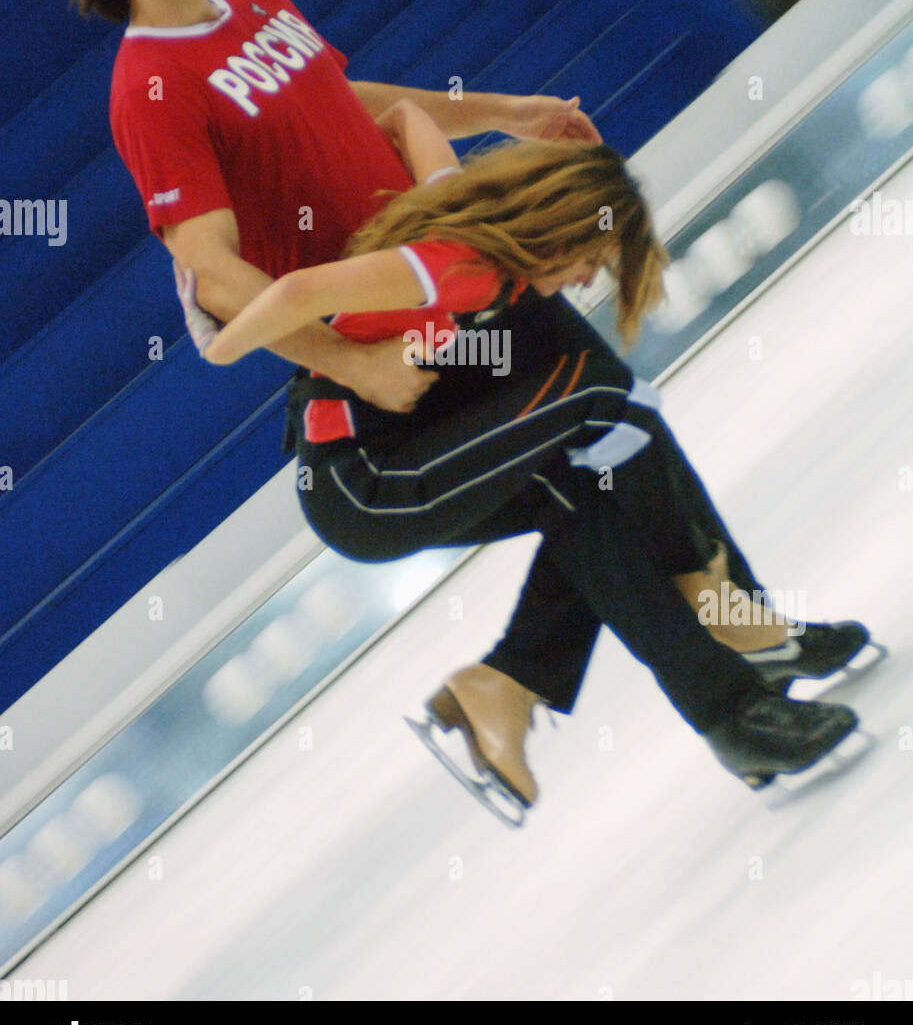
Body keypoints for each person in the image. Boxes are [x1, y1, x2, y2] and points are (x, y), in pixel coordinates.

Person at [62, 0, 870, 816]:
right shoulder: (148, 90)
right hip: (382, 363)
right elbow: (221, 279)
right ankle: (734, 711)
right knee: (596, 440)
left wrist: (504, 113)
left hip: (445, 301)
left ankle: (723, 638)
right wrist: (352, 360)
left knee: (621, 431)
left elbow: (351, 104)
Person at [184, 95, 868, 809]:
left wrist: (507, 117)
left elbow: (405, 119)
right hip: (363, 483)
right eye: (588, 260)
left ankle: (551, 688)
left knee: (588, 494)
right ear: (558, 230)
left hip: (412, 446)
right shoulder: (452, 266)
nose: (584, 281)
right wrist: (222, 346)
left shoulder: (472, 231)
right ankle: (710, 596)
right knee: (605, 399)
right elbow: (297, 290)